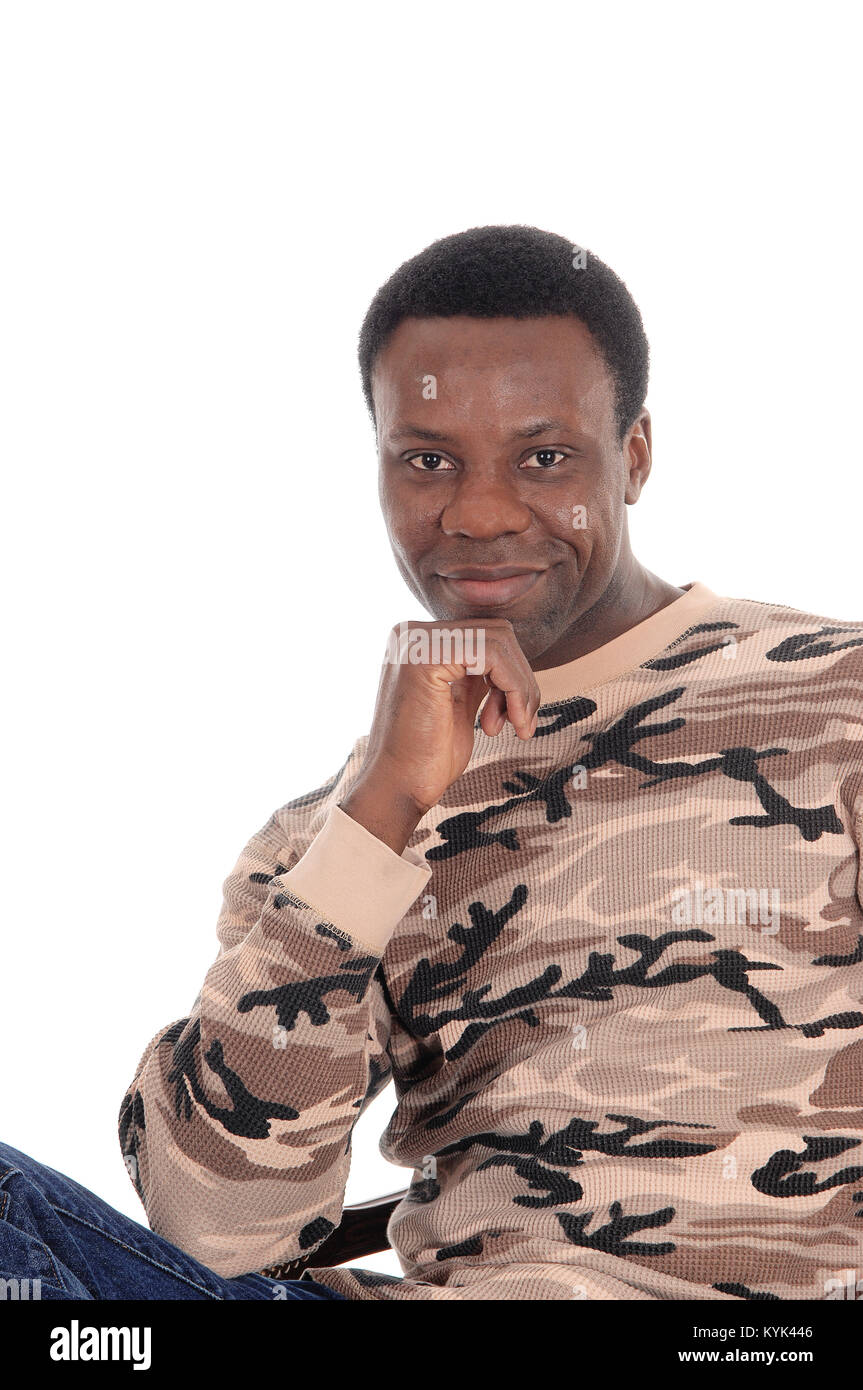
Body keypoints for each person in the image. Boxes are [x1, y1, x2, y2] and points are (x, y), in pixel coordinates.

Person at [4, 225, 862, 1301]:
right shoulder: (329, 838)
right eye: (427, 461)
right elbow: (215, 1233)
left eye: (544, 458)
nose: (478, 514)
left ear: (632, 456)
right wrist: (381, 812)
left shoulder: (833, 697)